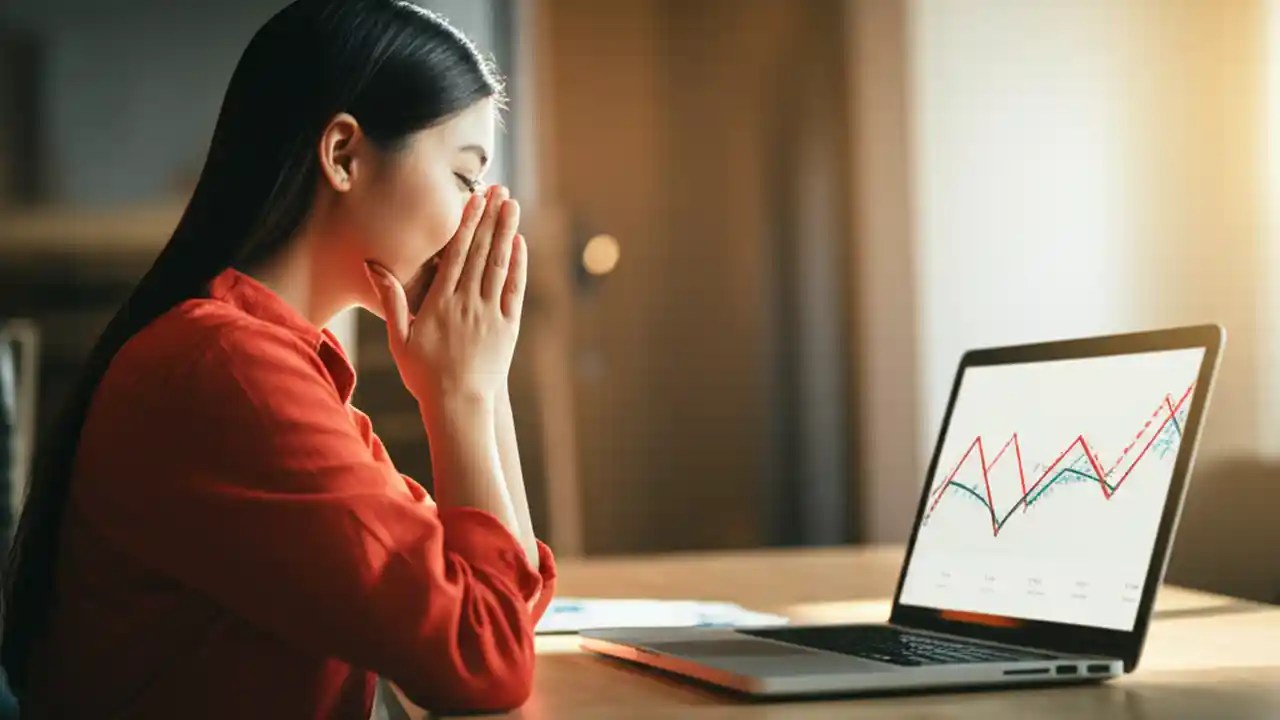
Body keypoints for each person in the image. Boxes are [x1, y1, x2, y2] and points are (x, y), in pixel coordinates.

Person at [0, 1, 555, 717]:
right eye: (464, 177)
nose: (475, 216)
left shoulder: (275, 362)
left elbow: (501, 606)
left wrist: (483, 381)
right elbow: (484, 657)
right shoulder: (229, 371)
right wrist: (464, 397)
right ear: (344, 155)